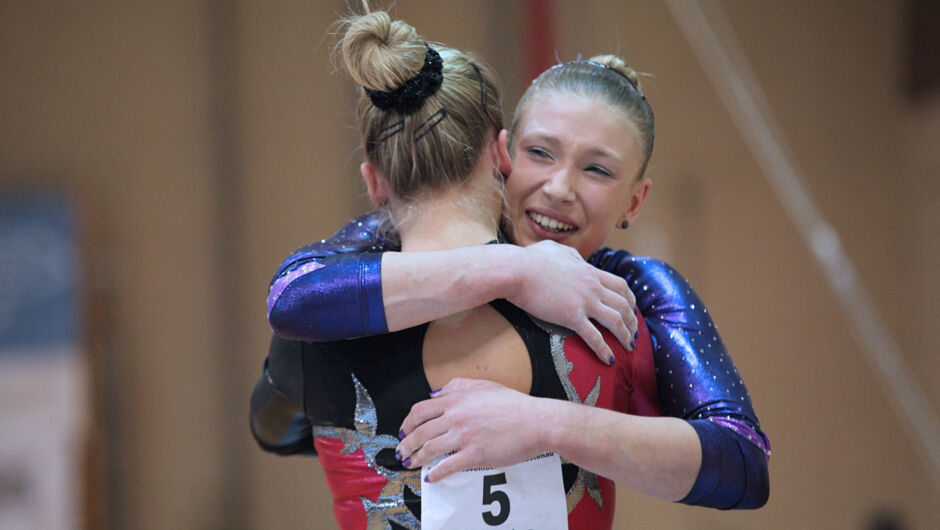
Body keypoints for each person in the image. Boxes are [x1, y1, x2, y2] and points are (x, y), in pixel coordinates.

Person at [259, 8, 769, 518]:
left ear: (635, 202)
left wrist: (545, 425)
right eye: (541, 153)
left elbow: (743, 464)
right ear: (503, 157)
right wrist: (517, 269)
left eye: (597, 170)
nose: (559, 189)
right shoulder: (376, 261)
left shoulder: (630, 290)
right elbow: (295, 298)